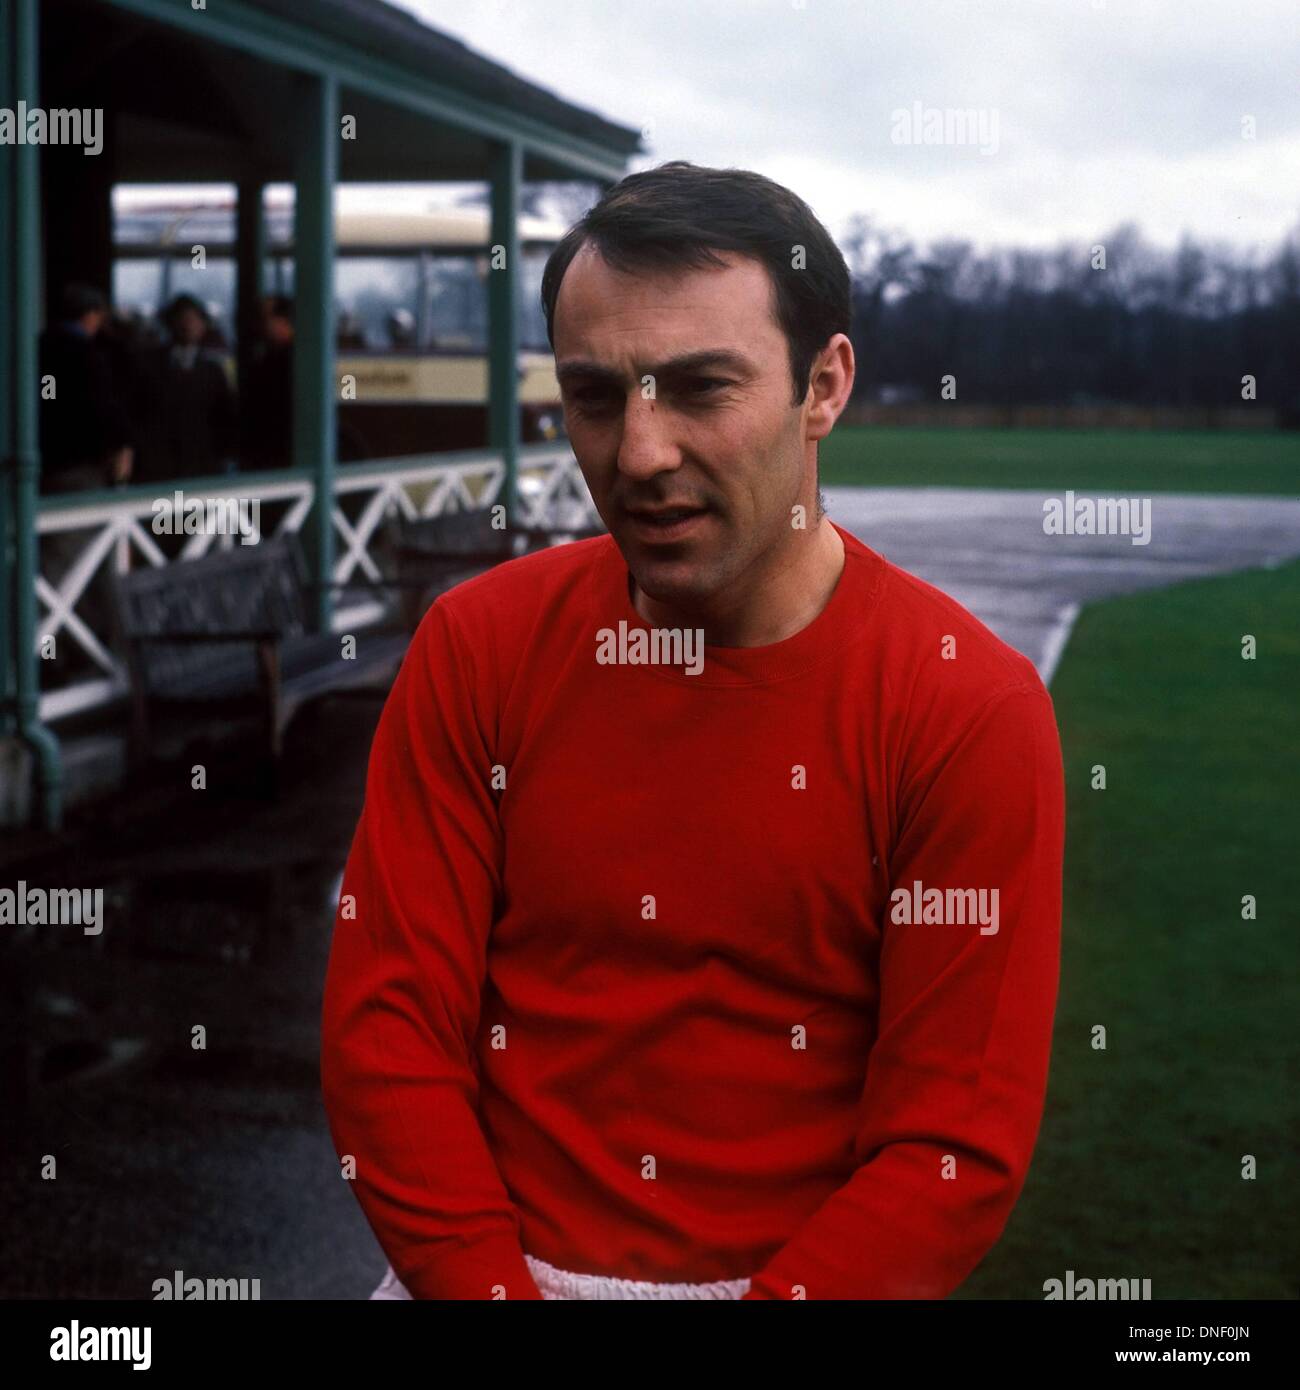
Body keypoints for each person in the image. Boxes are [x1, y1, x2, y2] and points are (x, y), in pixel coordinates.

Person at [320, 161, 1066, 1301]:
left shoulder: (965, 706)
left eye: (701, 388)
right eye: (595, 394)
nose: (640, 454)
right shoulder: (477, 645)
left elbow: (947, 1150)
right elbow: (388, 1041)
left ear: (824, 385)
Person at [38, 283, 134, 495]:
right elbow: (102, 403)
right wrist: (121, 443)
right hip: (80, 459)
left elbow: (48, 393)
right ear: (90, 315)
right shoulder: (87, 354)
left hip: (44, 455)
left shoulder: (42, 346)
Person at [132, 294, 237, 483]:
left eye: (195, 320)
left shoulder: (213, 370)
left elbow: (224, 418)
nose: (189, 325)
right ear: (171, 323)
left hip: (200, 465)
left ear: (204, 325)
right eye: (183, 319)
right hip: (159, 466)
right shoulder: (149, 365)